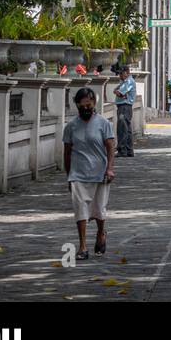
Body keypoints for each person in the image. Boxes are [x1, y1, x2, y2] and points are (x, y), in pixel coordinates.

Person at [63, 87, 116, 261]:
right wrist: (68, 174)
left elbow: (110, 147)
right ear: (77, 105)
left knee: (99, 210)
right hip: (78, 174)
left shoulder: (103, 124)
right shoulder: (71, 127)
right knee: (80, 210)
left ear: (94, 104)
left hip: (99, 173)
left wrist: (109, 168)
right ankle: (83, 246)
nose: (86, 108)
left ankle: (101, 233)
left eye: (90, 104)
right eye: (83, 105)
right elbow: (67, 151)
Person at [112, 66, 136, 157]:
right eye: (119, 74)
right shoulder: (124, 82)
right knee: (127, 129)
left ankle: (122, 150)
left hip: (125, 107)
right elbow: (117, 91)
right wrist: (118, 92)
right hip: (123, 106)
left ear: (127, 72)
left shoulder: (129, 81)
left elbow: (120, 93)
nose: (120, 75)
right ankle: (129, 150)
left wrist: (118, 92)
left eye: (121, 73)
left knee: (122, 129)